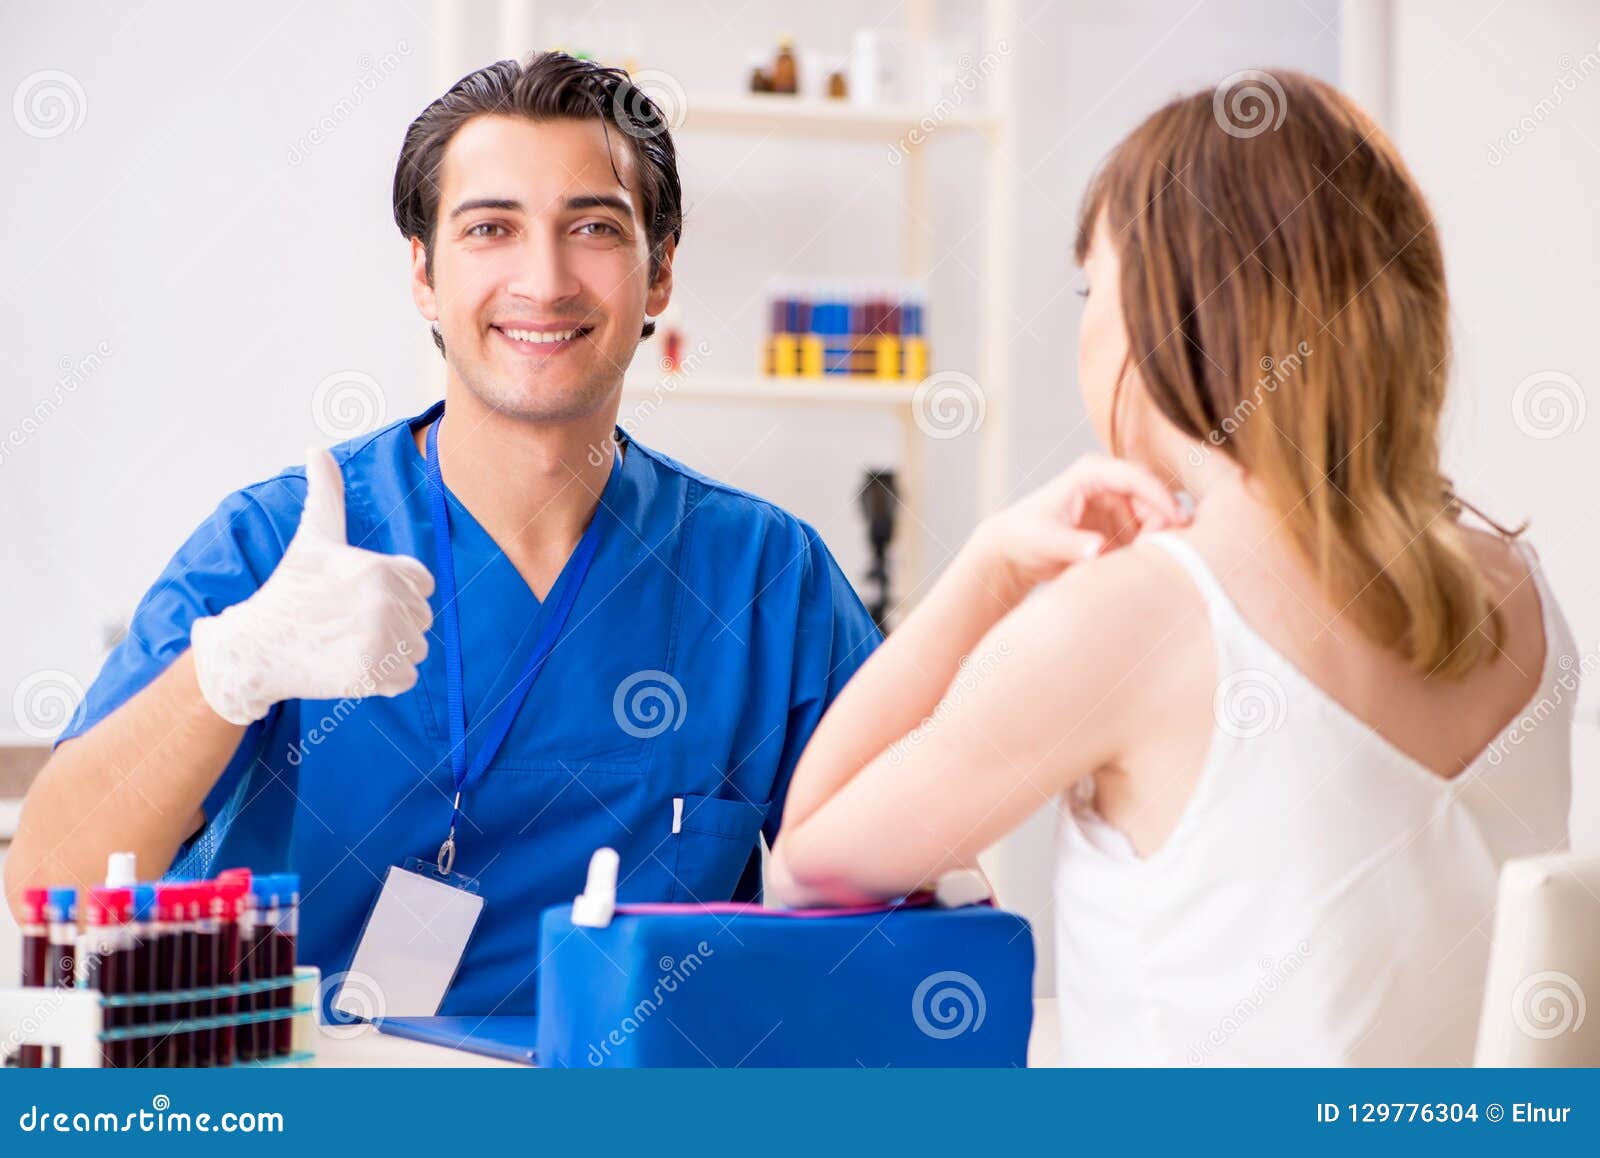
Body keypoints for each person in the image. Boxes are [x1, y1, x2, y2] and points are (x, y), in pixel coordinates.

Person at [5, 52, 879, 1018]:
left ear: (660, 272)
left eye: (593, 227)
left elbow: (893, 880)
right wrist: (231, 669)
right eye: (490, 229)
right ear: (424, 273)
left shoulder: (768, 579)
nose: (543, 280)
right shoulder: (279, 546)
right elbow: (56, 882)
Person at [768, 70, 1575, 1066]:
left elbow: (809, 863)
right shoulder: (1524, 596)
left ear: (1167, 314)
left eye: (1089, 289)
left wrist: (985, 574)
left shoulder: (1137, 614)